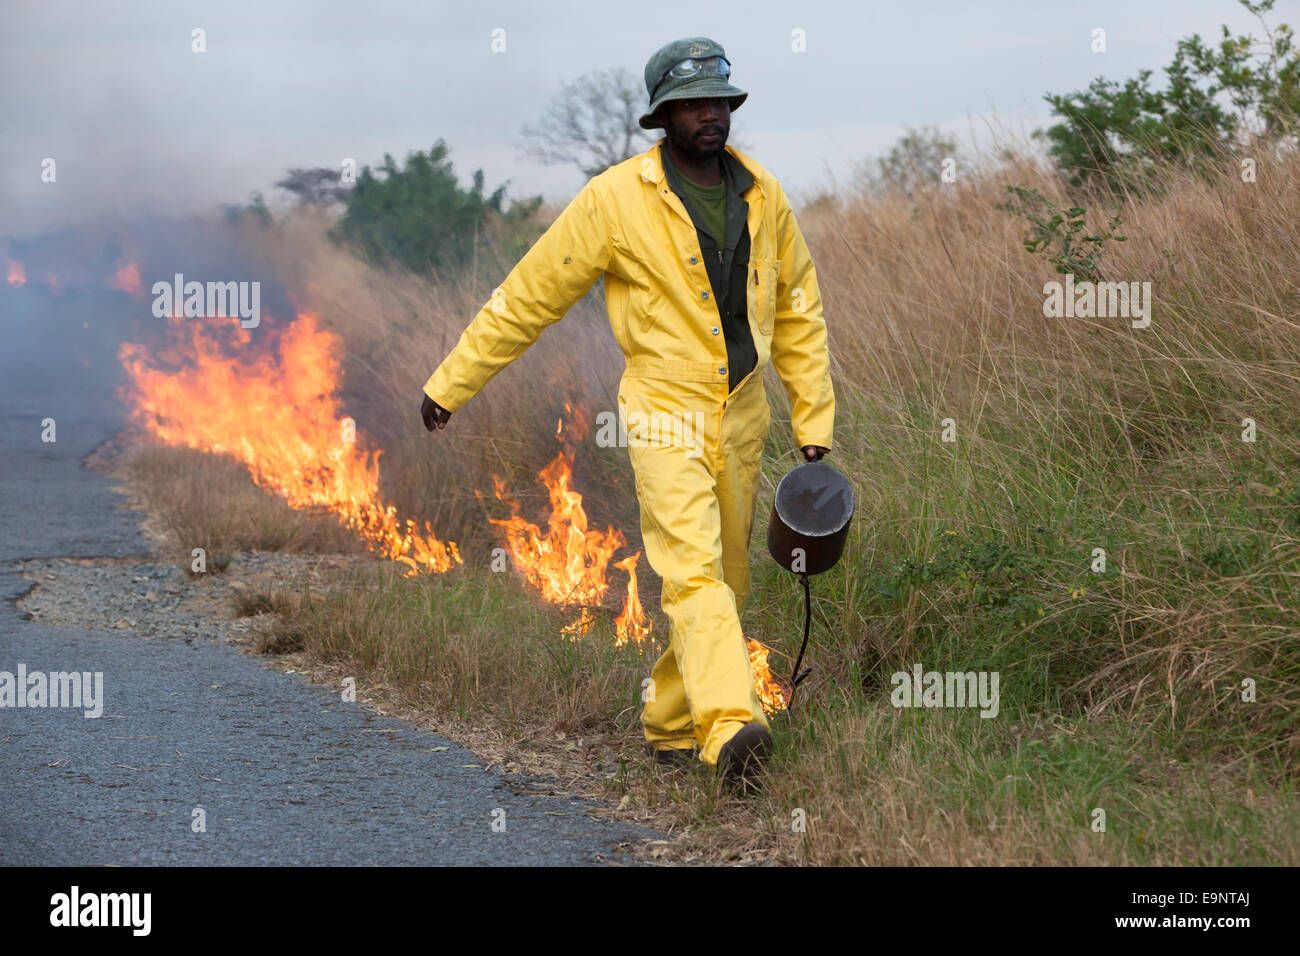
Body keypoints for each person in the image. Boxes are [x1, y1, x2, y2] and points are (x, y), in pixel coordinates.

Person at [420, 37, 834, 785]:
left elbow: (799, 311)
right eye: (693, 103)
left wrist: (814, 424)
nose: (711, 114)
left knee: (725, 585)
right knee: (693, 571)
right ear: (663, 116)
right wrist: (451, 383)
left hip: (743, 415)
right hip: (663, 408)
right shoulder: (615, 199)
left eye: (719, 101)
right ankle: (728, 728)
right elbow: (528, 295)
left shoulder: (763, 195)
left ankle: (670, 718)